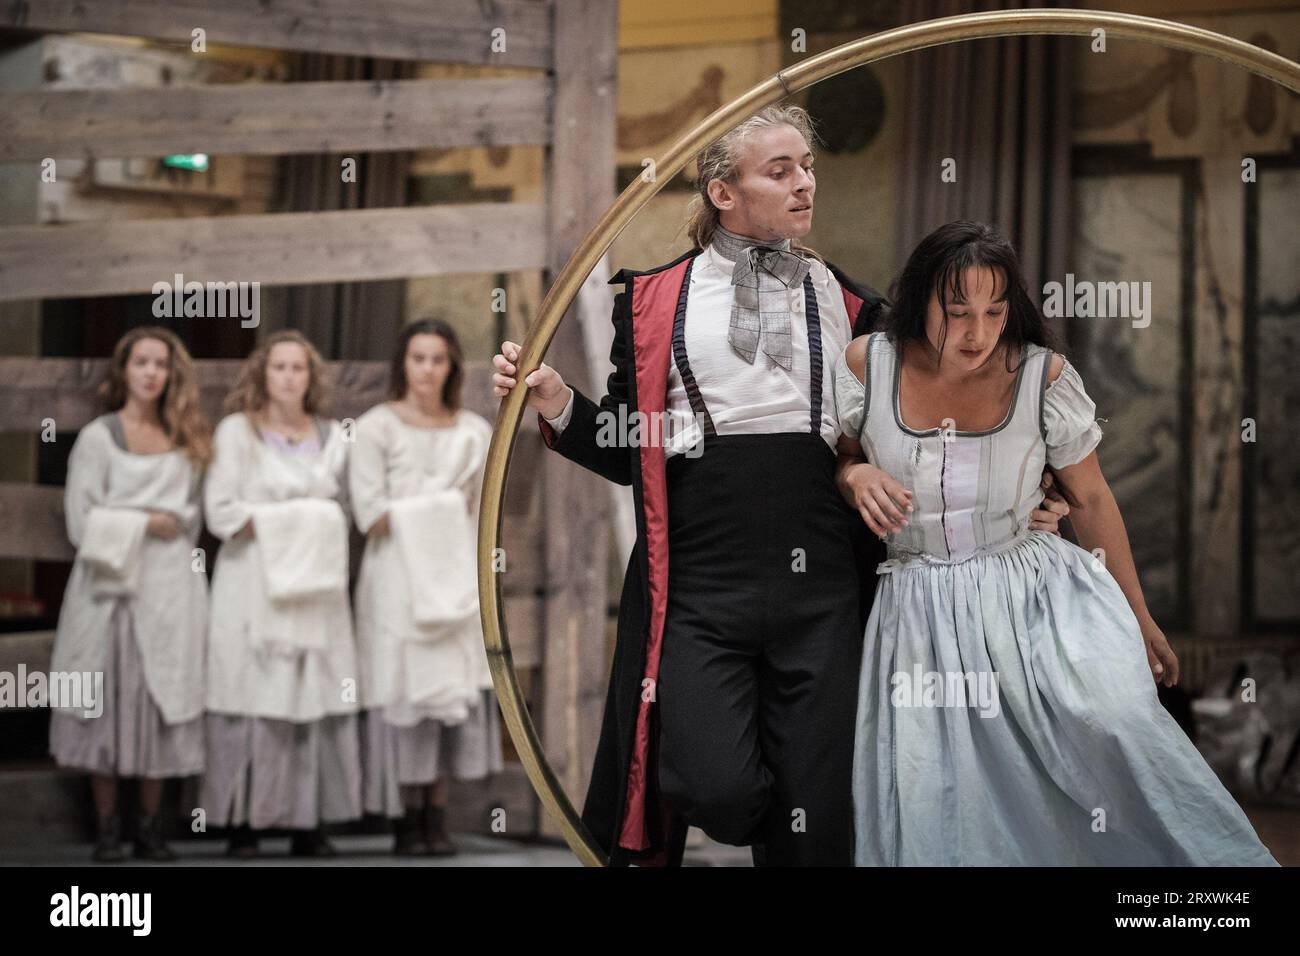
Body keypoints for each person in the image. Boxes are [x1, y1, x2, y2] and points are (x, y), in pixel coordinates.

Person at [494, 107, 1072, 866]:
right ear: (721, 191)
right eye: (781, 170)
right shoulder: (650, 302)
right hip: (701, 583)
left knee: (819, 819)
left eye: (808, 168)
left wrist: (1031, 489)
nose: (805, 184)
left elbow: (951, 397)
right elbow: (631, 451)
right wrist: (557, 406)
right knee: (714, 784)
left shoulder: (853, 304)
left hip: (825, 582)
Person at [834, 220, 1278, 865]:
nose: (977, 332)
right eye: (956, 311)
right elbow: (840, 462)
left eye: (993, 310)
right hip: (918, 613)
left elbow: (1093, 499)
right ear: (918, 303)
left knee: (1116, 728)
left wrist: (1141, 618)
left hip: (1034, 593)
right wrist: (857, 475)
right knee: (945, 796)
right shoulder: (866, 364)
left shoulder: (1041, 376)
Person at [49, 327, 210, 862]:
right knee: (107, 706)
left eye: (160, 364)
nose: (150, 373)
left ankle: (150, 827)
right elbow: (81, 521)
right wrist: (145, 520)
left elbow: (191, 516)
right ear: (125, 370)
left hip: (168, 592)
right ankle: (108, 829)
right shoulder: (99, 438)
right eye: (141, 362)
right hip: (109, 591)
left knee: (158, 704)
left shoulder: (186, 437)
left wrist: (166, 524)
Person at [202, 330, 361, 857]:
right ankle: (242, 821)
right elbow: (223, 512)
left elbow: (343, 509)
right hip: (253, 585)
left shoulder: (333, 437)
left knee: (310, 699)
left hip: (315, 590)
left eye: (299, 368)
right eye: (279, 367)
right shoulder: (236, 433)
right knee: (251, 698)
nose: (289, 377)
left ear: (311, 376)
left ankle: (305, 821)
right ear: (262, 374)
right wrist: (295, 519)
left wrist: (310, 522)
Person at [351, 319, 503, 856]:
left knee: (444, 695)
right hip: (395, 579)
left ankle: (435, 814)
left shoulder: (473, 434)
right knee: (404, 690)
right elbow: (370, 513)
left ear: (452, 367)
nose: (428, 369)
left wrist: (448, 516)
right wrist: (438, 507)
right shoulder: (374, 428)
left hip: (453, 578)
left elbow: (485, 514)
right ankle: (403, 816)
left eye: (438, 359)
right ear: (403, 365)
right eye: (418, 358)